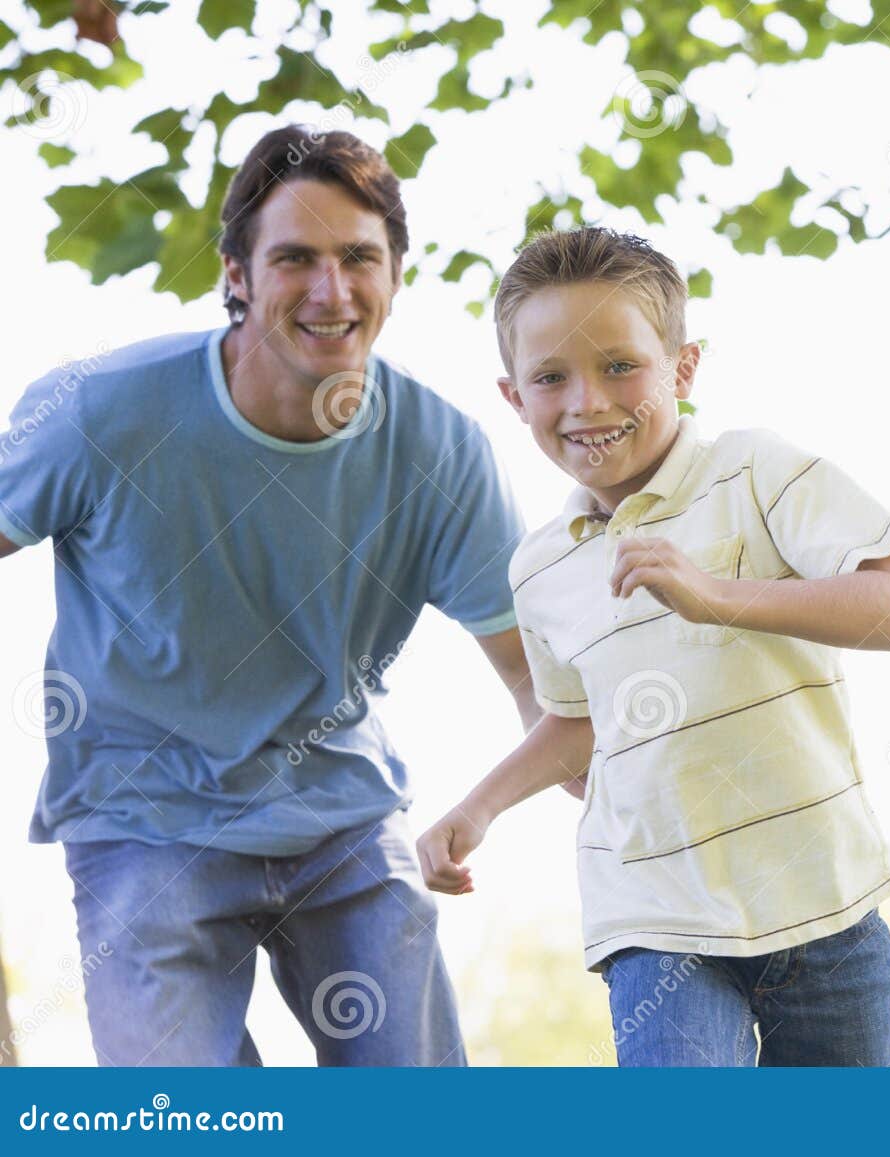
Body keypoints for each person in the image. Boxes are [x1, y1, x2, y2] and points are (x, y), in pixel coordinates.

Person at [0, 125, 534, 1066]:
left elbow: (540, 682)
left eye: (358, 258)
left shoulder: (439, 452)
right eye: (296, 258)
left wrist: (591, 782)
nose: (332, 292)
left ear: (397, 271)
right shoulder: (100, 411)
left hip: (342, 817)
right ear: (238, 273)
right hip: (143, 820)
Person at [416, 226, 890, 1066]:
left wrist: (716, 594)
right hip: (657, 916)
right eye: (552, 377)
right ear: (515, 396)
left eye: (620, 365)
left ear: (682, 369)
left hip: (825, 900)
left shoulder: (756, 472)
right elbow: (579, 724)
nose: (586, 401)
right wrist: (477, 806)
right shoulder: (539, 567)